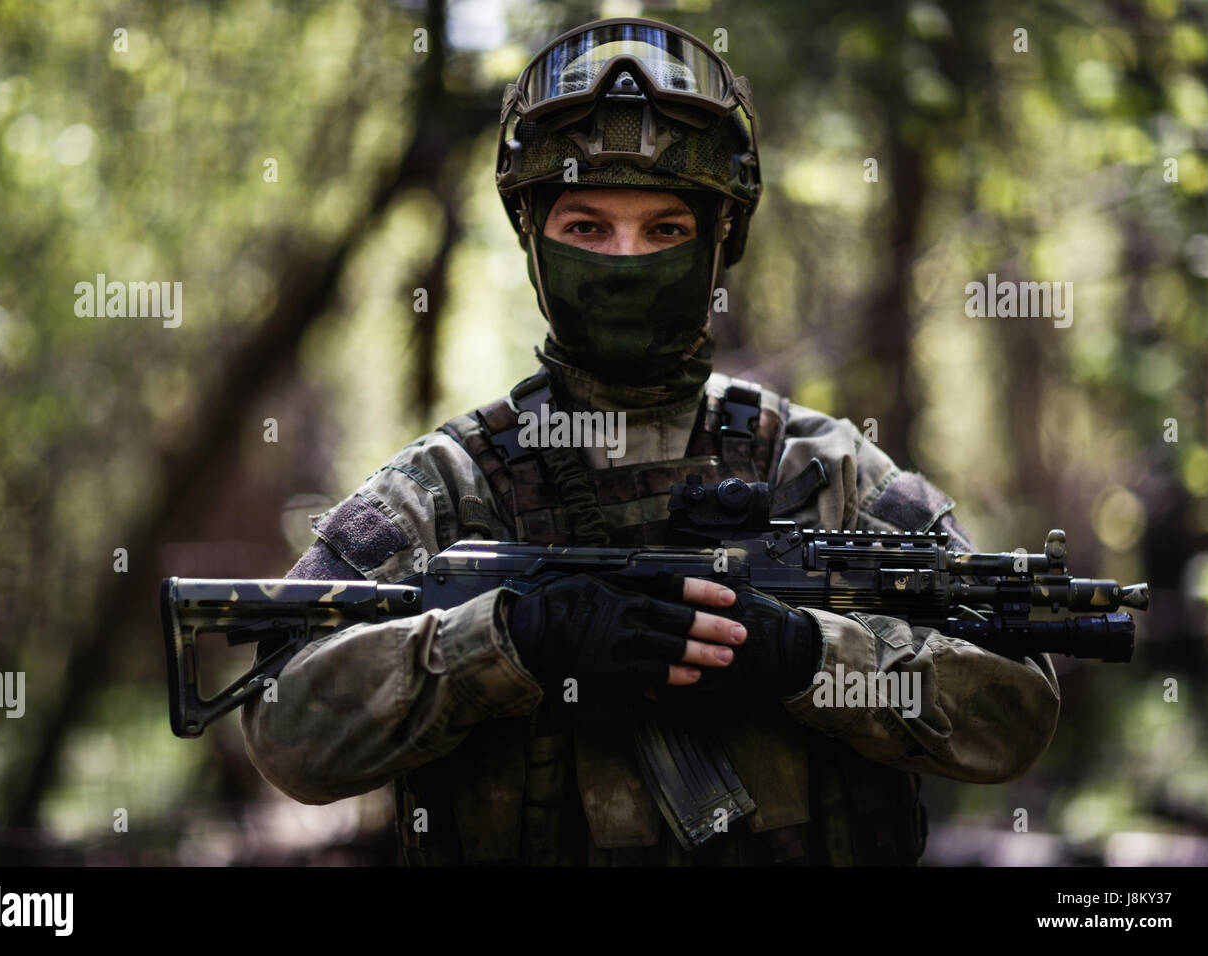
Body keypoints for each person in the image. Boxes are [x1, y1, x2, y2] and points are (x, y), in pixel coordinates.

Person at [240, 17, 1061, 866]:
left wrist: (811, 657)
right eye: (587, 228)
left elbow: (1016, 712)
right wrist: (509, 642)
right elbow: (283, 725)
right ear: (533, 240)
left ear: (718, 244)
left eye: (664, 229)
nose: (625, 259)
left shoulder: (829, 472)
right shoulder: (446, 489)